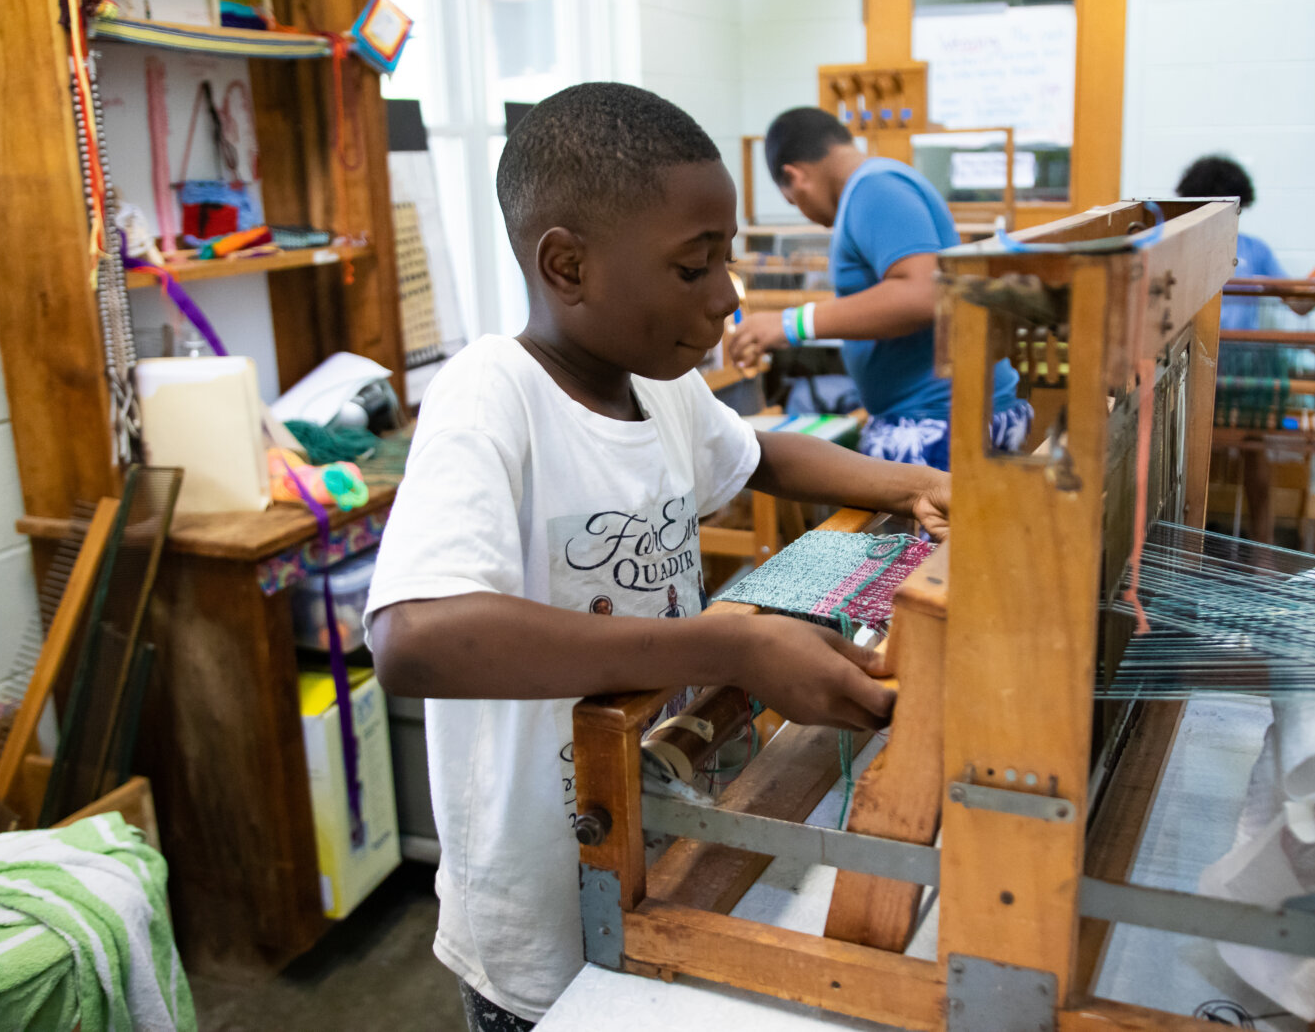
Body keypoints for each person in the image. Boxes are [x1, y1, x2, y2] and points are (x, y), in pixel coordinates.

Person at [365, 83, 952, 1032]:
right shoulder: (491, 396)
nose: (727, 297)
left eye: (726, 259)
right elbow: (415, 638)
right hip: (541, 904)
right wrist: (728, 647)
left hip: (662, 840)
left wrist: (908, 488)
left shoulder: (661, 390)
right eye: (695, 267)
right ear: (569, 265)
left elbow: (761, 452)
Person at [728, 108, 1031, 469]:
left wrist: (791, 323)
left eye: (795, 203)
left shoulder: (874, 188)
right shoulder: (877, 185)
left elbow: (924, 293)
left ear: (795, 176)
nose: (811, 217)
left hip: (938, 423)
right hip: (937, 416)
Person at [1176, 154, 1315, 543]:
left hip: (1243, 371)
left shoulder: (1254, 250)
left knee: (1255, 449)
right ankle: (1184, 541)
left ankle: (1263, 549)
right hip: (1195, 364)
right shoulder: (1182, 250)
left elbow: (1298, 304)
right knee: (1183, 451)